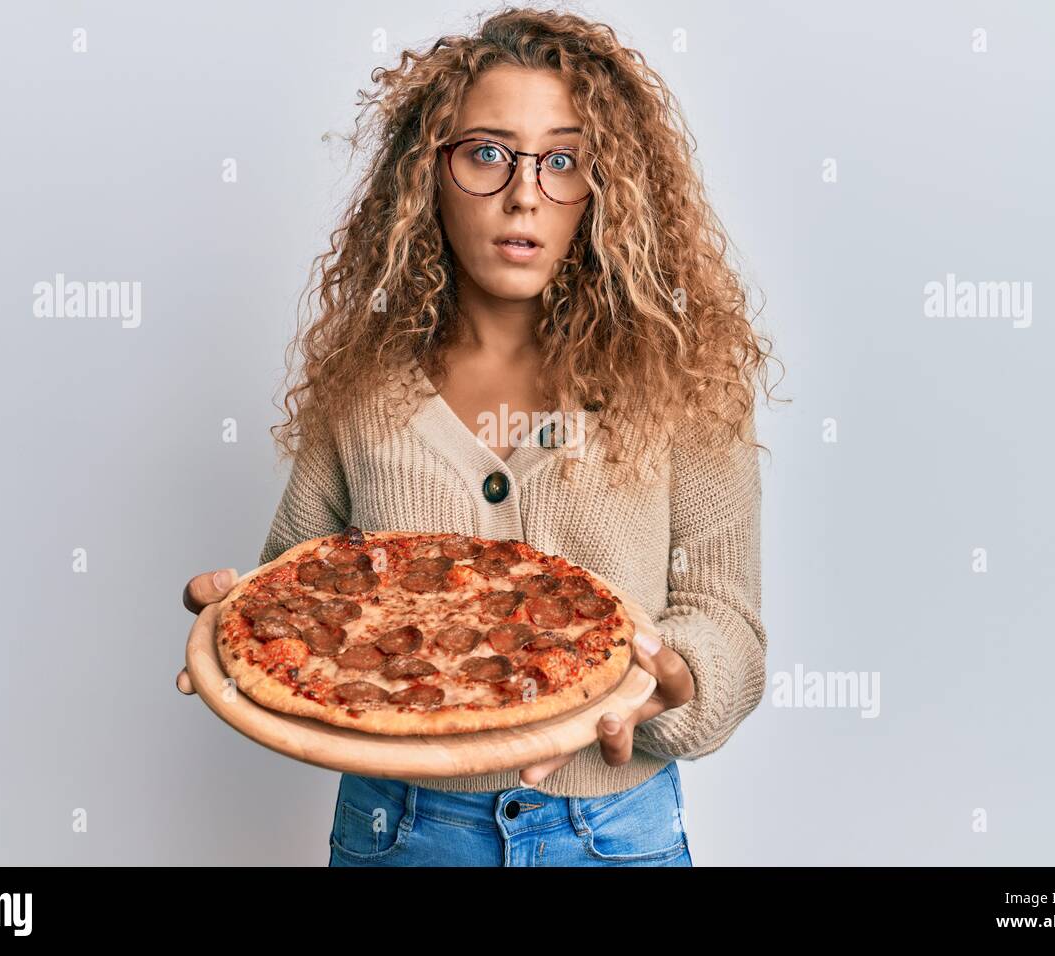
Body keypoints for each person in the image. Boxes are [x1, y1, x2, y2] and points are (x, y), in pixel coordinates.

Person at [176, 6, 778, 866]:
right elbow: (299, 584)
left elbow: (730, 623)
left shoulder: (689, 380)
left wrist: (672, 677)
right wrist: (240, 614)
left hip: (612, 835)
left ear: (604, 187)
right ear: (429, 174)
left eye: (563, 160)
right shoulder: (364, 380)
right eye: (487, 153)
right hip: (400, 830)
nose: (525, 192)